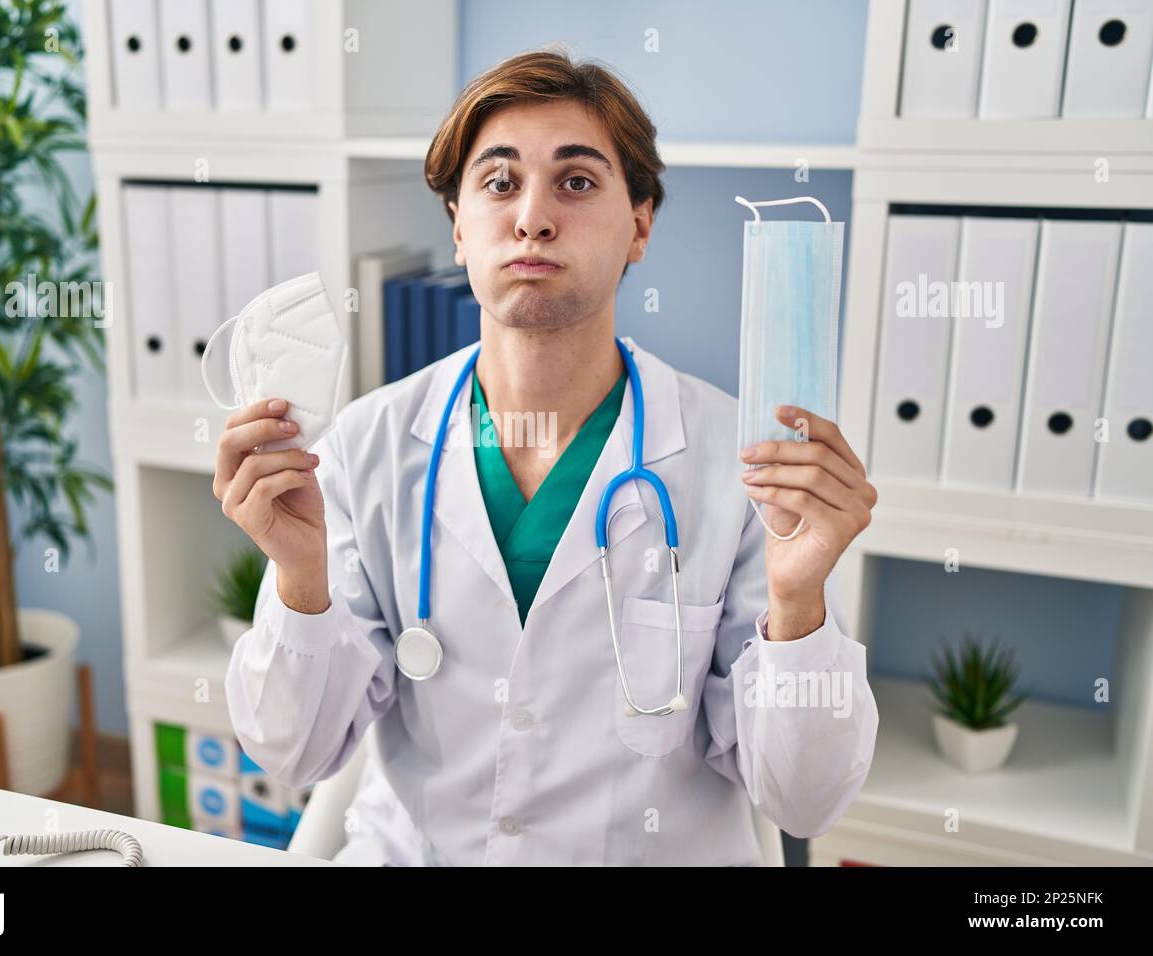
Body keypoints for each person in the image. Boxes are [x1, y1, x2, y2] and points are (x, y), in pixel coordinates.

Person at [215, 47, 879, 866]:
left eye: (576, 181)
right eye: (499, 183)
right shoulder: (366, 444)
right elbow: (294, 754)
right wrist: (300, 582)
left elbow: (805, 800)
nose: (532, 216)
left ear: (640, 224)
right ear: (458, 226)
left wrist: (800, 599)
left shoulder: (742, 466)